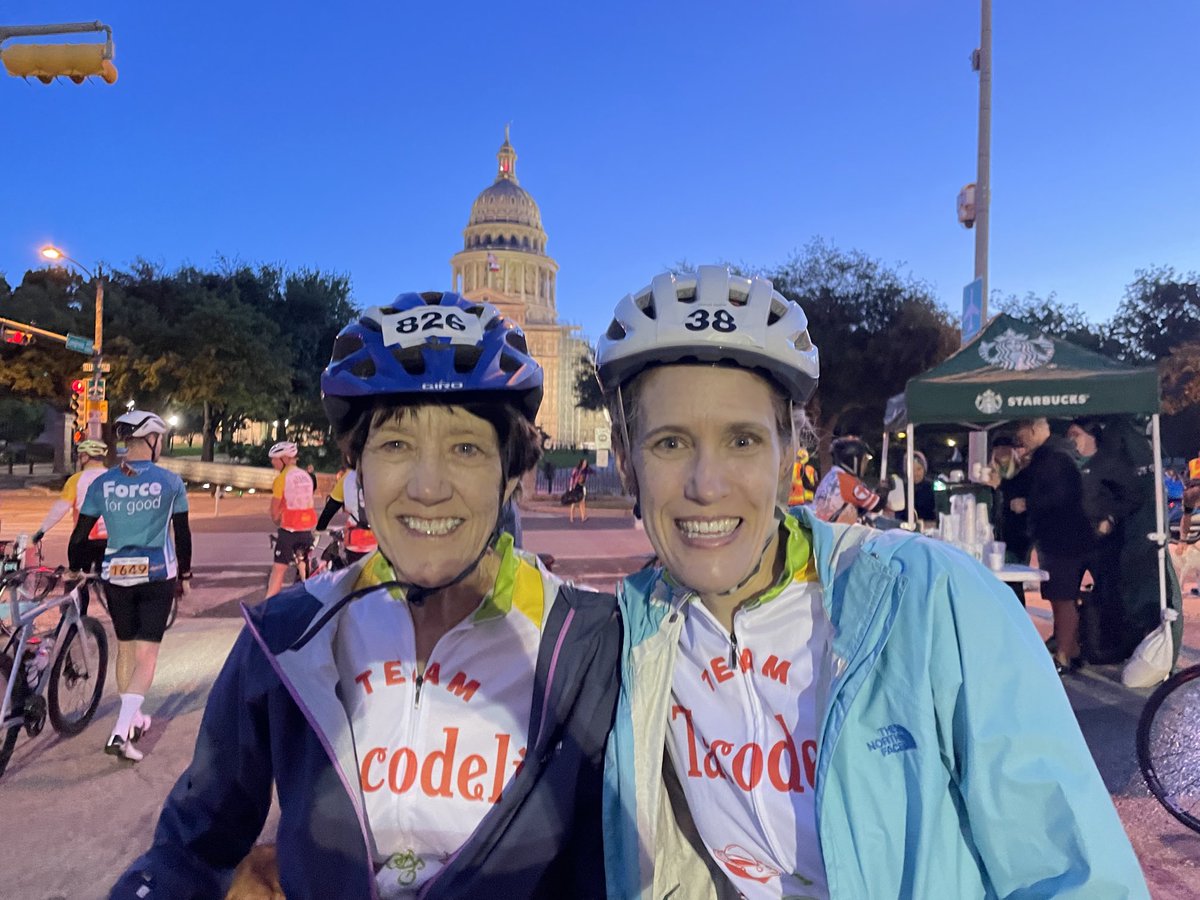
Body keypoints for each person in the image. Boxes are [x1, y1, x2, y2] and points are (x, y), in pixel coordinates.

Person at [595, 266, 1147, 899]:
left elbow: (1077, 875)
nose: (706, 484)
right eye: (669, 443)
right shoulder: (628, 638)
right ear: (626, 463)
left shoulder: (935, 599)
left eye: (742, 440)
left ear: (788, 458)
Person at [112, 292, 620, 899]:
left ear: (511, 475)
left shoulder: (591, 645)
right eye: (395, 445)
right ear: (356, 470)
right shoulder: (288, 636)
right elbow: (192, 846)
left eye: (465, 447)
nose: (427, 487)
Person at [68, 412, 191, 762]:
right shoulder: (170, 481)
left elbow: (79, 537)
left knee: (125, 649)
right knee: (146, 657)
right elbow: (182, 534)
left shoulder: (103, 482)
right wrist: (185, 575)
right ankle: (121, 732)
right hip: (156, 575)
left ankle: (134, 717)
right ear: (151, 440)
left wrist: (77, 568)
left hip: (116, 575)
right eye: (160, 439)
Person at [1016, 417, 1094, 674]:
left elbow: (1060, 496)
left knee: (1062, 597)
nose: (1021, 440)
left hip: (1062, 537)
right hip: (1059, 536)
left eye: (1023, 433)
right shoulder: (1052, 455)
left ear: (1035, 429)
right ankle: (1072, 650)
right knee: (1058, 596)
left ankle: (1063, 656)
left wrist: (1029, 504)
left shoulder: (1054, 457)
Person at [33, 439, 110, 580]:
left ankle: (76, 590)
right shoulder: (115, 477)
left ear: (86, 456)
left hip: (86, 538)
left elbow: (60, 509)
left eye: (80, 455)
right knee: (108, 580)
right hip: (112, 539)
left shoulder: (77, 479)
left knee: (77, 579)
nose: (79, 459)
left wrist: (42, 530)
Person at [265, 440, 318, 597]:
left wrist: (277, 520)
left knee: (279, 569)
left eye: (275, 459)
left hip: (289, 530)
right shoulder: (306, 476)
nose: (273, 462)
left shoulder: (282, 479)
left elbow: (274, 511)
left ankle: (269, 604)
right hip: (307, 529)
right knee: (305, 569)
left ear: (285, 459)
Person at [811, 436, 882, 524]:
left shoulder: (832, 475)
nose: (866, 465)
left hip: (823, 525)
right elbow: (876, 505)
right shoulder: (845, 481)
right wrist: (885, 490)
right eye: (864, 460)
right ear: (854, 460)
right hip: (834, 529)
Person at [316, 465, 378, 564]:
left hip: (355, 540)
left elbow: (330, 508)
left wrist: (320, 527)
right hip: (378, 541)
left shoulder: (348, 477)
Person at [568, 456, 591, 523]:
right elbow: (572, 478)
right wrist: (571, 486)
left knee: (582, 502)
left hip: (582, 486)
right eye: (584, 463)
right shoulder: (576, 469)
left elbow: (586, 479)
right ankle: (571, 517)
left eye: (586, 463)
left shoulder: (586, 471)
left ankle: (583, 517)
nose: (585, 464)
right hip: (576, 486)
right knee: (574, 502)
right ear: (581, 463)